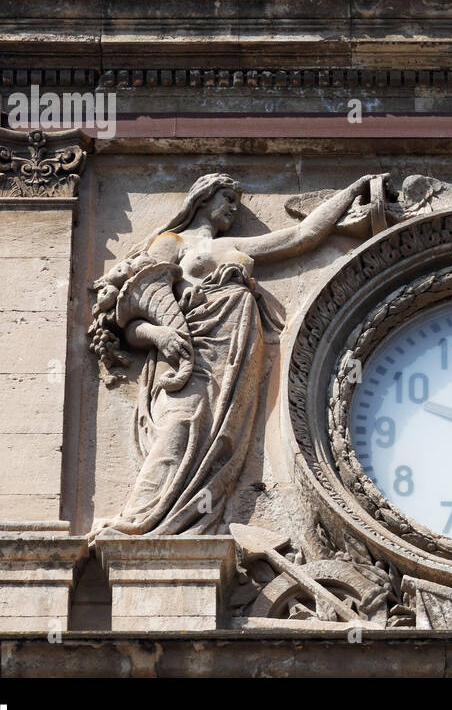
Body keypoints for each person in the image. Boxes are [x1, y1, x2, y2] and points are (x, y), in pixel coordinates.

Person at [88, 172, 381, 540]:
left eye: (236, 202)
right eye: (226, 198)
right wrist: (160, 334)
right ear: (201, 198)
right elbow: (134, 316)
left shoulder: (233, 244)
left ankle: (191, 525)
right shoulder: (172, 242)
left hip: (235, 354)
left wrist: (352, 190)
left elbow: (301, 236)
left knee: (222, 441)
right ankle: (140, 520)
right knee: (180, 425)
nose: (232, 208)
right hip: (189, 351)